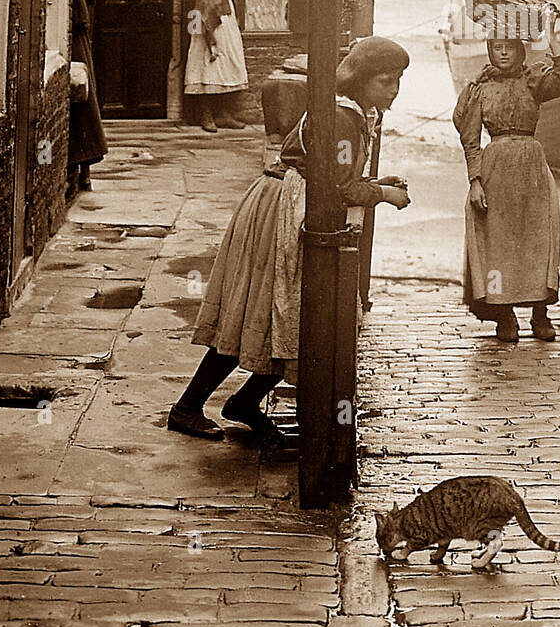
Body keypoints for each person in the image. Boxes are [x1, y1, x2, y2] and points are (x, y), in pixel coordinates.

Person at [168, 36, 411, 443]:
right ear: (360, 80)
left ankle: (242, 403)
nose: (393, 90)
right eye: (385, 81)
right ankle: (188, 408)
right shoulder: (343, 117)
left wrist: (373, 182)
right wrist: (385, 195)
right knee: (264, 313)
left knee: (282, 319)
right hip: (281, 213)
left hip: (284, 202)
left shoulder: (347, 111)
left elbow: (338, 174)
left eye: (398, 81)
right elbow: (343, 189)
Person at [452, 8, 560, 343]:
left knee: (538, 241)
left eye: (509, 46)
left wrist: (551, 37)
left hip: (532, 168)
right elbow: (470, 138)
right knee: (497, 246)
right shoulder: (480, 88)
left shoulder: (533, 81)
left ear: (520, 50)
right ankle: (504, 316)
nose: (502, 52)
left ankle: (540, 313)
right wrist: (475, 181)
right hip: (495, 172)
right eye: (496, 46)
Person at [185, 0, 248, 132]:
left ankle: (223, 114)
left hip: (226, 35)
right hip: (208, 39)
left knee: (226, 73)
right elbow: (198, 21)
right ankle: (207, 115)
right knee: (208, 75)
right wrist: (210, 43)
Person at [67, 0, 108, 194]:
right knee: (83, 100)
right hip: (72, 32)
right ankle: (78, 169)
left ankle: (83, 169)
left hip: (79, 29)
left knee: (86, 98)